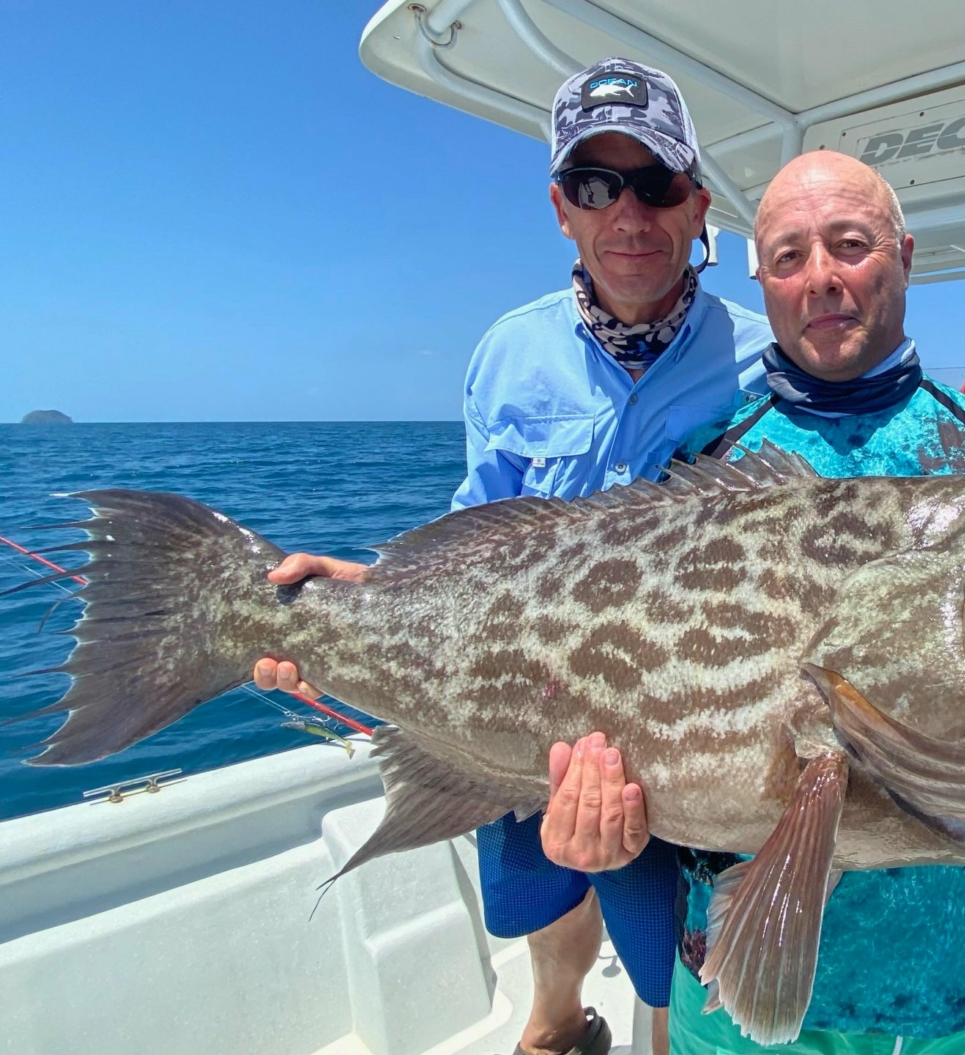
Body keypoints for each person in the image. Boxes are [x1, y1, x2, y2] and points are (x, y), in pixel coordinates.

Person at [251, 58, 772, 1055]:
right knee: (538, 882)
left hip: (691, 721)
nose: (629, 211)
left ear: (698, 202)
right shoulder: (504, 353)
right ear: (560, 208)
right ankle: (556, 1014)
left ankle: (659, 1032)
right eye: (595, 185)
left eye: (656, 183)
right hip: (517, 696)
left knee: (670, 947)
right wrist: (346, 596)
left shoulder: (758, 359)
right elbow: (476, 539)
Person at [663, 150, 965, 1054]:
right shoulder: (704, 461)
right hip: (743, 982)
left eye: (850, 245)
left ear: (906, 254)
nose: (822, 281)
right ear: (761, 279)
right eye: (789, 257)